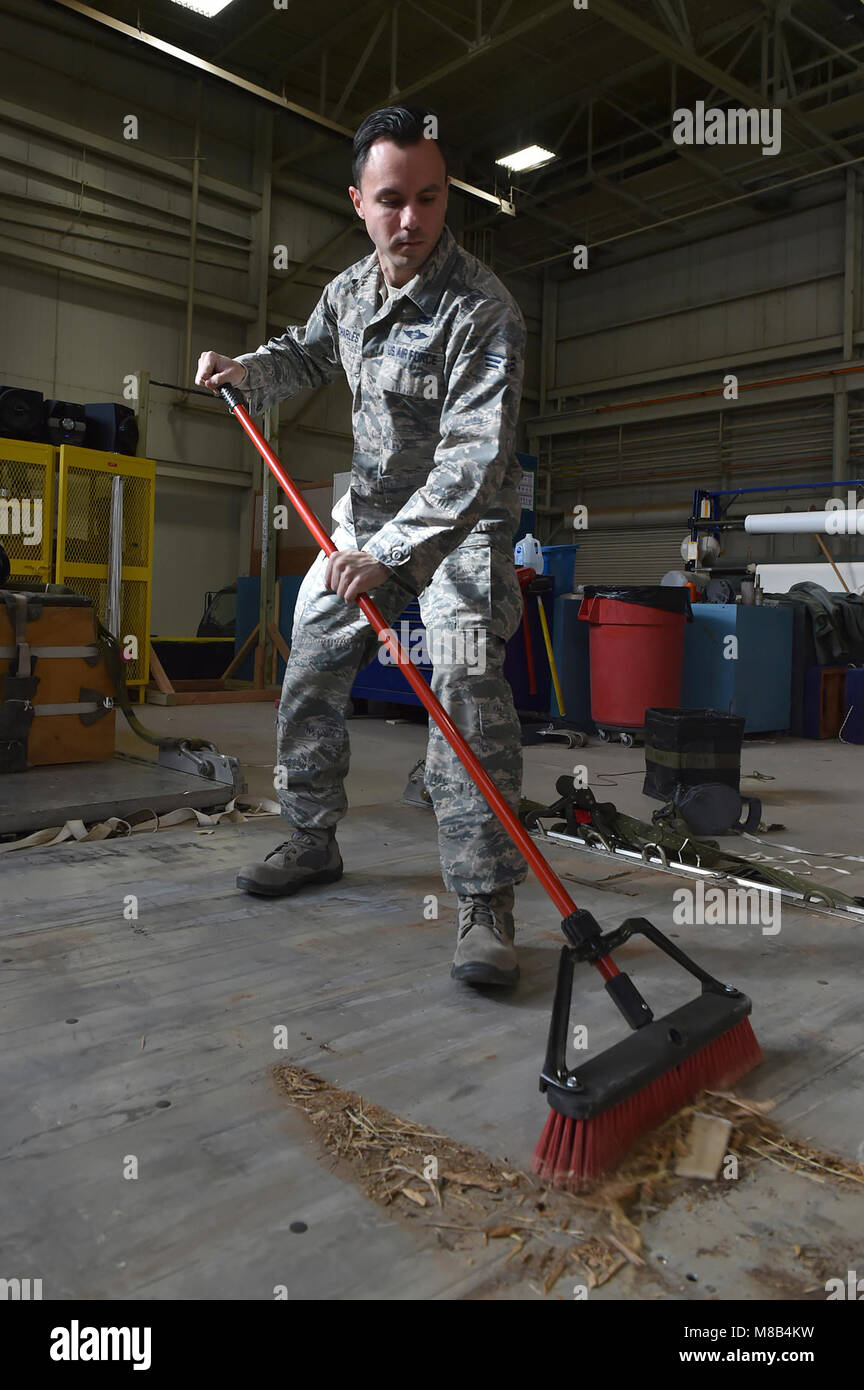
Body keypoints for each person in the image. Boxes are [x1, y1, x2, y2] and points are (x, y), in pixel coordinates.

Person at [196, 106, 527, 987]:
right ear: (358, 202)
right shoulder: (348, 292)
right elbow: (305, 354)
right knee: (309, 656)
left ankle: (485, 900)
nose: (412, 219)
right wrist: (244, 373)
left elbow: (473, 460)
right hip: (366, 518)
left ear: (446, 194)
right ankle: (311, 837)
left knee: (460, 684)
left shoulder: (482, 310)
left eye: (429, 198)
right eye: (391, 201)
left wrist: (399, 555)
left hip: (461, 526)